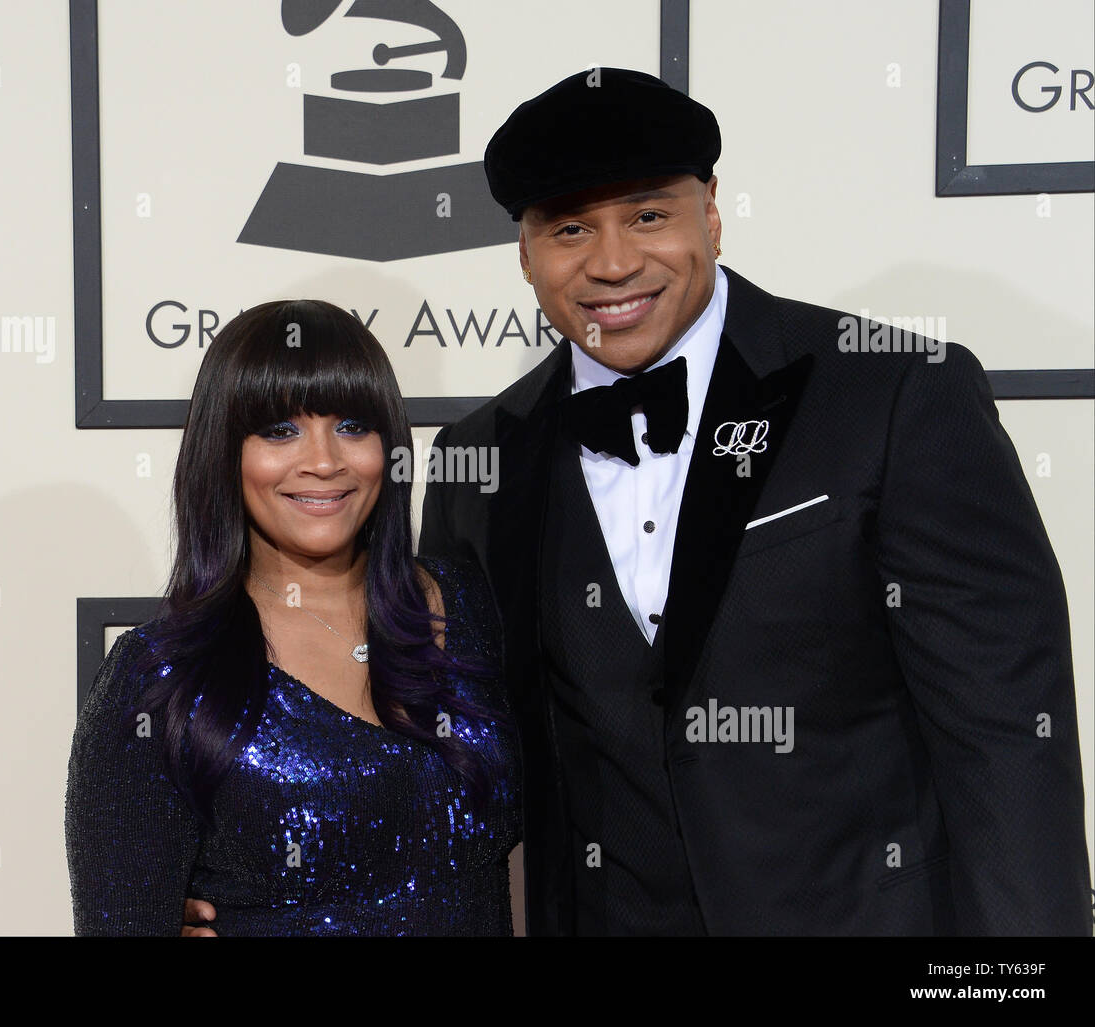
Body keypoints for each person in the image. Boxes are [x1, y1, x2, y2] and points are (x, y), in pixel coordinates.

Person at [414, 68, 1091, 935]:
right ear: (525, 252)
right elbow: (460, 751)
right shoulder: (480, 458)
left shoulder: (893, 395)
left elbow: (1007, 737)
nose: (613, 262)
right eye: (571, 229)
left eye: (649, 215)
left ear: (713, 213)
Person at [65, 299, 520, 936]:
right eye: (280, 431)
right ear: (224, 453)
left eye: (353, 426)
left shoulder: (466, 605)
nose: (324, 461)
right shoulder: (157, 678)